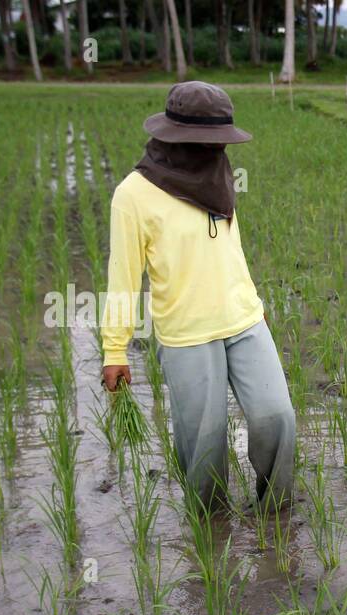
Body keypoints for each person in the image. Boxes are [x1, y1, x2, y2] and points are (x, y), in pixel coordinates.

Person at [100, 81, 295, 513]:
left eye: (219, 143)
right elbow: (123, 278)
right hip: (187, 334)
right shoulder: (133, 194)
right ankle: (211, 536)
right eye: (206, 143)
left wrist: (257, 307)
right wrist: (115, 349)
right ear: (175, 136)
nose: (214, 152)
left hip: (243, 320)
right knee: (204, 446)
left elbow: (231, 249)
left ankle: (279, 524)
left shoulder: (218, 174)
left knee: (276, 417)